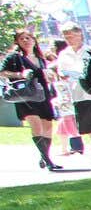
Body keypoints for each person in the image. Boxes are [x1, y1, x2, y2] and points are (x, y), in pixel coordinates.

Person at [3, 30, 61, 170]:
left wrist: (51, 76)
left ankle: (44, 155)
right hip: (26, 96)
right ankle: (48, 161)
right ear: (17, 41)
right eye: (22, 38)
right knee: (36, 125)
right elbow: (3, 72)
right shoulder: (14, 57)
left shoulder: (40, 58)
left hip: (42, 94)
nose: (25, 41)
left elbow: (45, 75)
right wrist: (19, 74)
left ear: (34, 40)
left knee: (47, 126)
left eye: (28, 38)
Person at [55, 24, 91, 165]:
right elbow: (61, 72)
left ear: (79, 34)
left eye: (71, 35)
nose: (69, 39)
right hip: (78, 94)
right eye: (66, 36)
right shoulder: (63, 54)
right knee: (90, 126)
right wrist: (63, 75)